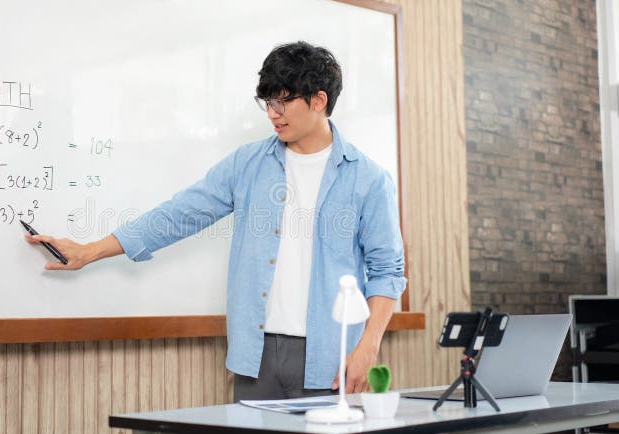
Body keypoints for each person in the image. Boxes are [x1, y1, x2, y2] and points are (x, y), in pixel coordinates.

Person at [25, 41, 406, 401]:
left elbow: (387, 269)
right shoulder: (247, 164)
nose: (272, 113)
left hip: (333, 356)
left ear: (319, 101)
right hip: (255, 356)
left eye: (282, 102)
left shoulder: (368, 179)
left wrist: (368, 346)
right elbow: (179, 214)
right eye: (267, 102)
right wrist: (91, 251)